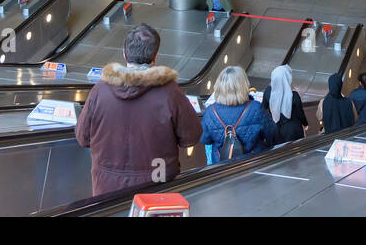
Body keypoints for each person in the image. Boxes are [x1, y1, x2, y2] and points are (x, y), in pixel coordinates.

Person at [75, 23, 203, 194]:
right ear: (155, 56)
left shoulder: (100, 90)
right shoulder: (170, 93)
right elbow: (191, 137)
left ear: (124, 53)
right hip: (158, 186)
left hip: (107, 189)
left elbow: (82, 138)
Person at [200, 64, 277, 163]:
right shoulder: (255, 108)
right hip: (254, 164)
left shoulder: (211, 111)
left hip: (222, 167)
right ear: (243, 85)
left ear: (219, 86)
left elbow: (205, 139)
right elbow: (272, 134)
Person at [262, 63, 308, 145]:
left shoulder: (268, 92)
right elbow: (300, 113)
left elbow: (263, 108)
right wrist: (305, 124)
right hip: (292, 131)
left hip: (274, 129)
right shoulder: (294, 96)